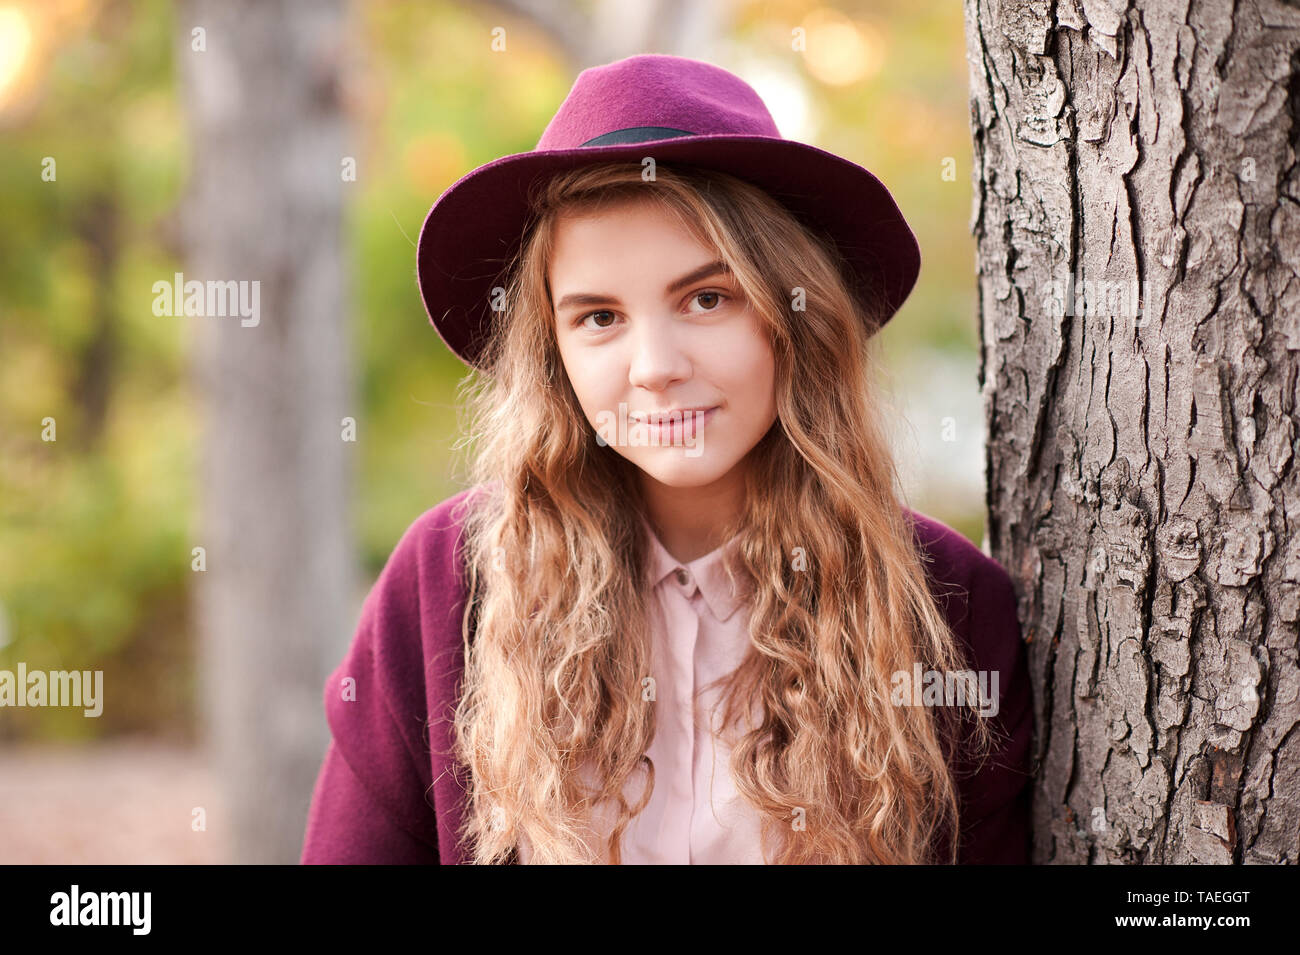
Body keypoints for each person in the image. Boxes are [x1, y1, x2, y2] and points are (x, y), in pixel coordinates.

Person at [300, 53, 1032, 865]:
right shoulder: (445, 586)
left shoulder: (954, 610)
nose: (654, 366)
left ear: (795, 313)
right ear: (555, 354)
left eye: (707, 298)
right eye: (599, 317)